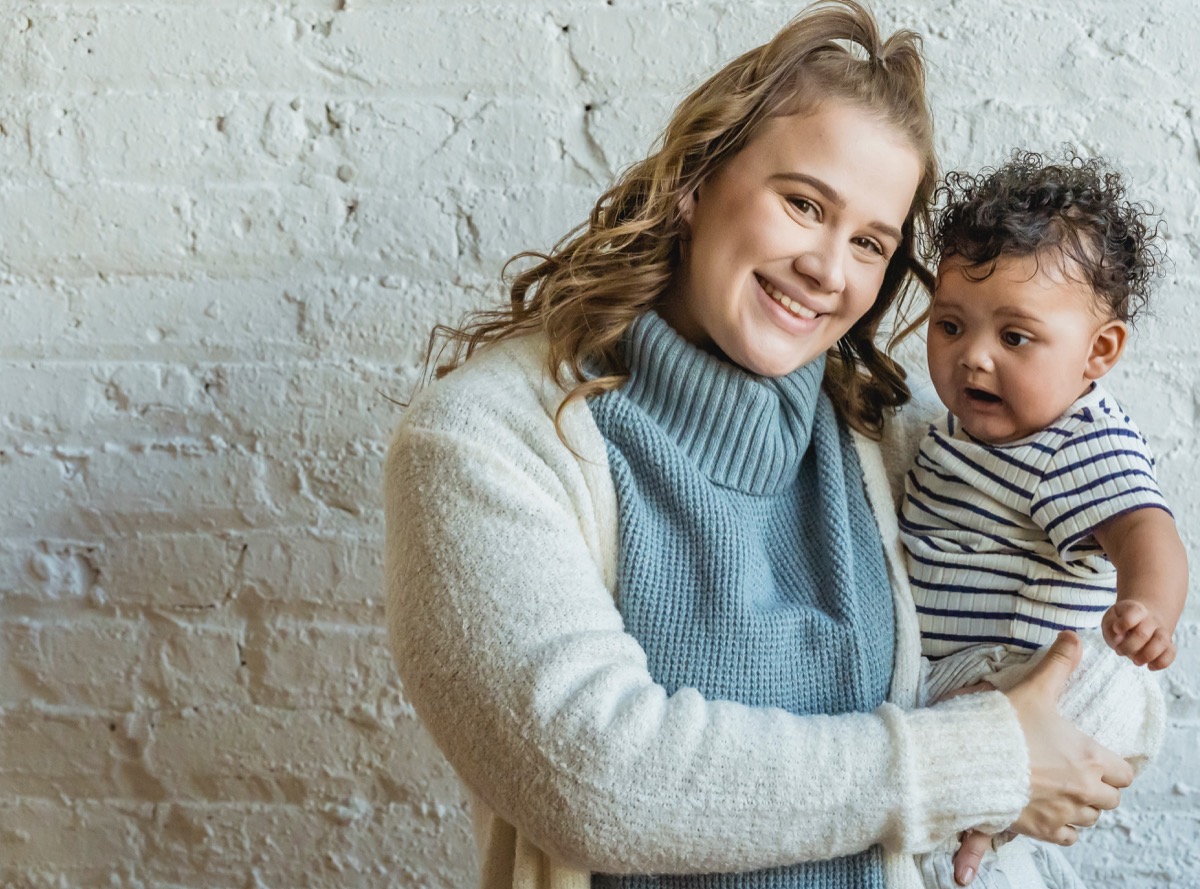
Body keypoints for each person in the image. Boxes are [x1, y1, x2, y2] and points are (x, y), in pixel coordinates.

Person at [384, 5, 1133, 888]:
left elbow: (1099, 684)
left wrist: (1049, 727)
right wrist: (980, 759)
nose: (828, 268)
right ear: (694, 182)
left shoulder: (890, 444)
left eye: (868, 242)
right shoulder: (485, 444)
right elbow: (594, 780)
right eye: (804, 203)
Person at [901, 150, 1186, 888]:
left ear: (1100, 351)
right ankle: (975, 827)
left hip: (1020, 667)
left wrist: (1148, 608)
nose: (974, 359)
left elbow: (1144, 529)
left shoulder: (1074, 438)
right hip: (941, 677)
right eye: (951, 325)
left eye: (1015, 337)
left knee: (1109, 684)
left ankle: (978, 835)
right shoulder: (951, 431)